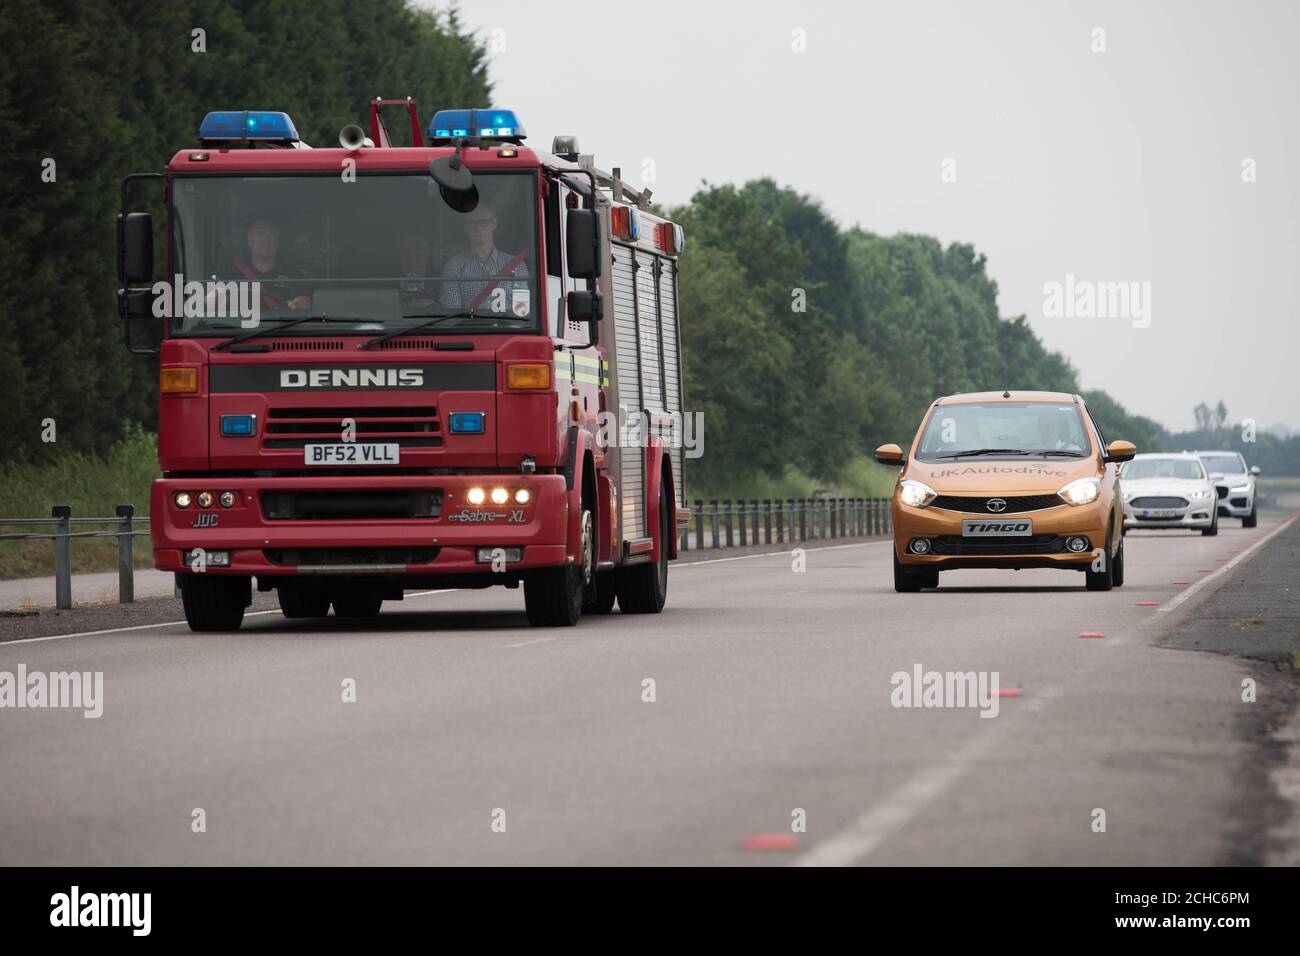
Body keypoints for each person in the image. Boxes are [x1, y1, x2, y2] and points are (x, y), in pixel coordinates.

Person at [439, 204, 529, 313]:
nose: (477, 228)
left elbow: (522, 312)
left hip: (508, 329)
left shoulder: (517, 266)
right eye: (471, 223)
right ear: (465, 227)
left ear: (494, 223)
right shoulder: (454, 267)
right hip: (470, 329)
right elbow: (452, 314)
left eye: (483, 222)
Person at [226, 219, 310, 310]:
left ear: (277, 242)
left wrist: (304, 303)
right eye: (260, 234)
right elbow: (216, 302)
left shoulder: (293, 275)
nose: (266, 239)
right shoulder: (232, 272)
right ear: (250, 241)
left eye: (272, 235)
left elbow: (306, 305)